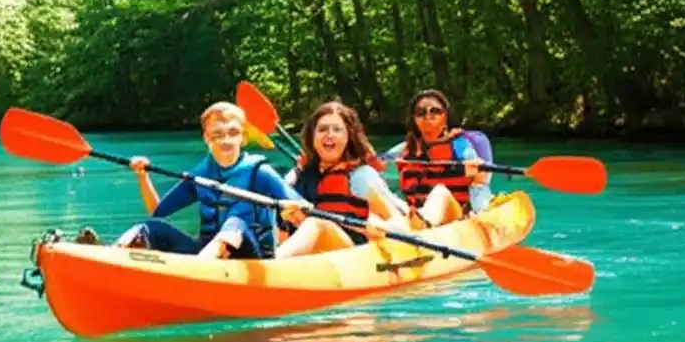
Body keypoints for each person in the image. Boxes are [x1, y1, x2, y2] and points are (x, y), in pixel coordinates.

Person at [104, 102, 298, 259]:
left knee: (235, 222)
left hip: (251, 258)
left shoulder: (261, 173)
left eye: (233, 133)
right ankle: (112, 255)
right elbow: (157, 212)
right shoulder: (200, 176)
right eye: (217, 134)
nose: (226, 140)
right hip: (205, 253)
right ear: (206, 138)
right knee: (151, 228)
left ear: (243, 138)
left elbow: (305, 213)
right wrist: (142, 176)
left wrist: (292, 212)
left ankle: (199, 268)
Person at [274, 101, 412, 258]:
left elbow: (402, 226)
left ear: (349, 137)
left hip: (351, 255)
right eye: (322, 129)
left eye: (337, 130)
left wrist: (378, 227)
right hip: (308, 258)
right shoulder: (295, 177)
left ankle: (272, 263)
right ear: (313, 136)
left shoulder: (361, 177)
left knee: (318, 223)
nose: (329, 134)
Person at [386, 89, 494, 226]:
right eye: (421, 113)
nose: (428, 116)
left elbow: (480, 179)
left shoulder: (460, 147)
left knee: (440, 193)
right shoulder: (404, 150)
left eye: (435, 111)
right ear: (414, 119)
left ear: (445, 117)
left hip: (455, 218)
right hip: (415, 215)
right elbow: (379, 166)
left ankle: (420, 224)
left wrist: (480, 212)